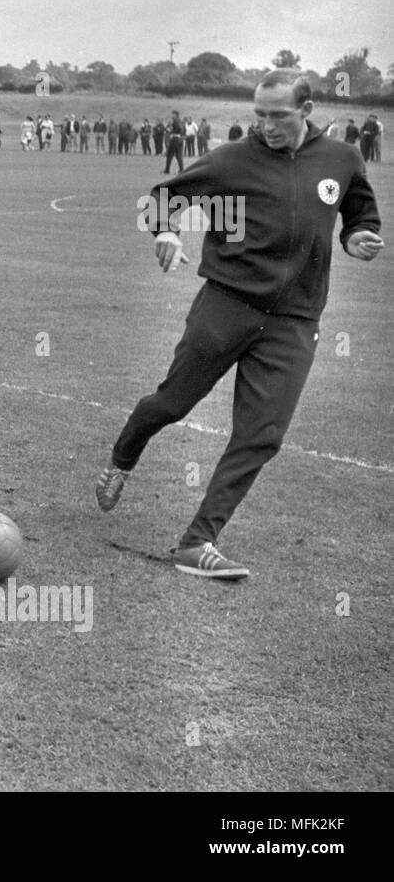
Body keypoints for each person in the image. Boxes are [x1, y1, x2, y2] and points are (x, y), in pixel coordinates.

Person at [95, 70, 382, 579]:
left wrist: (358, 236)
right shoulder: (232, 159)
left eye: (278, 116)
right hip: (227, 305)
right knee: (172, 403)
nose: (266, 126)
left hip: (295, 320)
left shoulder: (342, 159)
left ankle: (197, 541)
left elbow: (359, 213)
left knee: (261, 435)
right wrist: (166, 234)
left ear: (308, 109)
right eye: (259, 115)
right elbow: (160, 202)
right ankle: (122, 456)